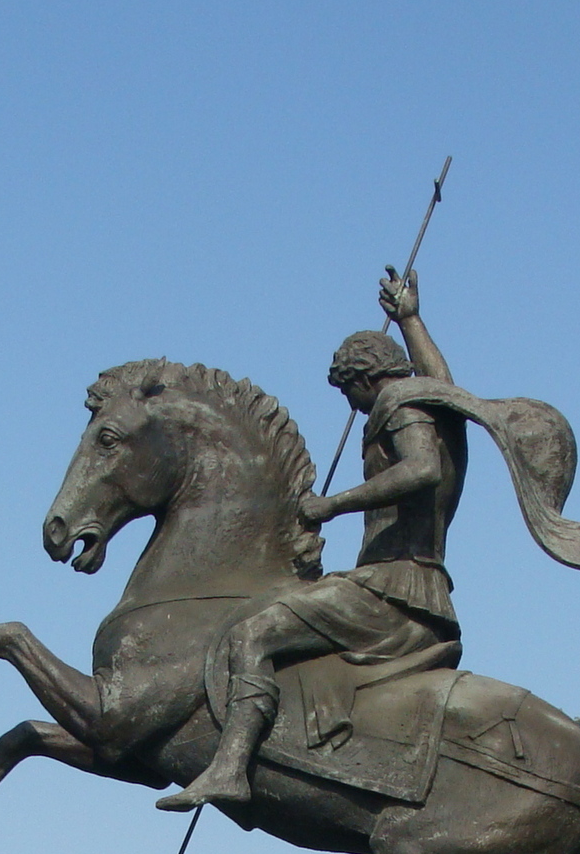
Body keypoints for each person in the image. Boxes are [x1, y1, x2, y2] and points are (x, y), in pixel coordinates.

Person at [157, 272, 468, 811]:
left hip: (391, 587)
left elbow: (422, 469)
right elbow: (441, 382)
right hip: (424, 591)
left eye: (349, 392)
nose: (352, 405)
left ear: (364, 378)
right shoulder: (427, 402)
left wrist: (332, 504)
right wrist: (411, 318)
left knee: (250, 634)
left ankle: (230, 769)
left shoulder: (394, 404)